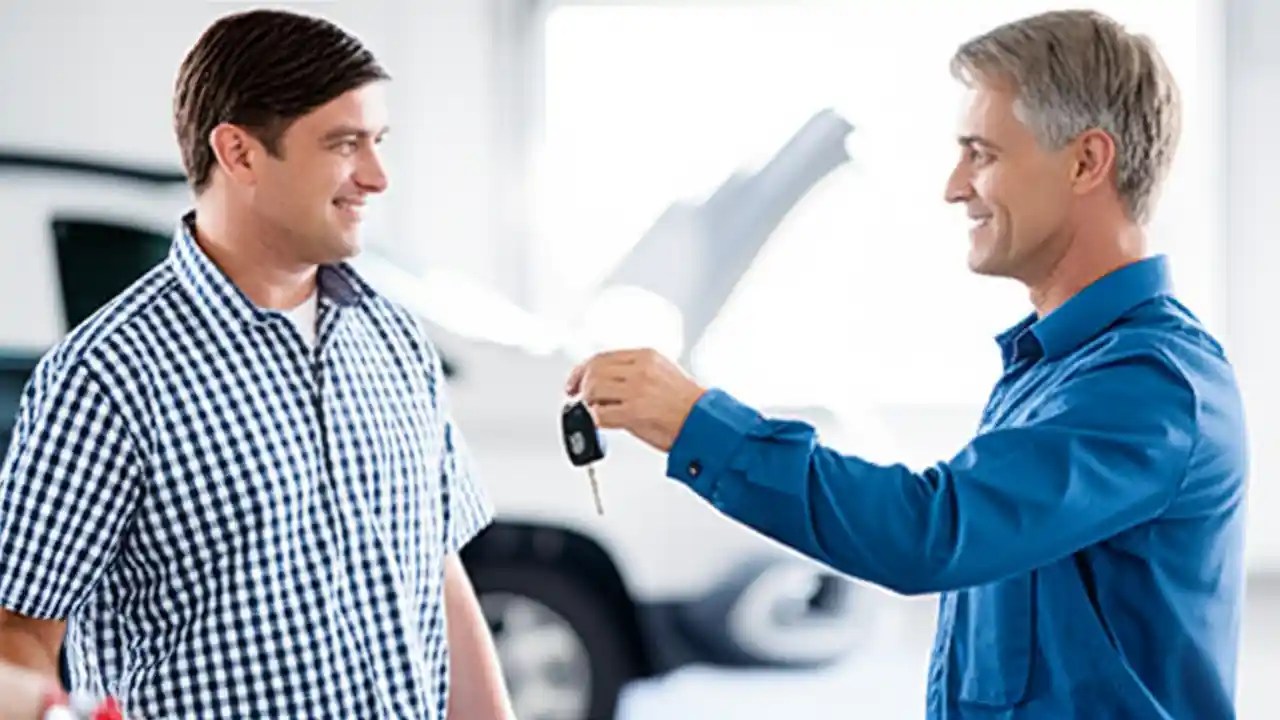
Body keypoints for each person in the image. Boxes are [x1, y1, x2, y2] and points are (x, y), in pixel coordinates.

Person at [568, 9, 1247, 719]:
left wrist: (698, 425)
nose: (954, 187)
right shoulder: (1054, 370)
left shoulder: (1150, 385)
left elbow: (931, 533)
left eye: (982, 153)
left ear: (1085, 161)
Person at [0, 9, 513, 719]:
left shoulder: (396, 340)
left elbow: (438, 572)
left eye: (378, 141)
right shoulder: (106, 376)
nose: (377, 176)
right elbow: (19, 627)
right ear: (239, 153)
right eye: (344, 145)